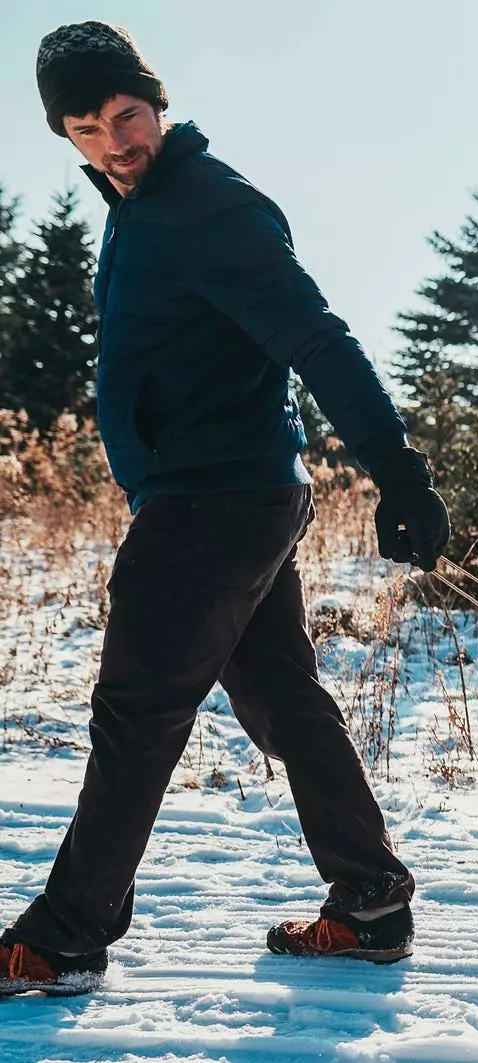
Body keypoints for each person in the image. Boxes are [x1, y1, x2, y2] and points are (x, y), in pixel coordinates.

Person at [0, 21, 450, 997]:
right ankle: (370, 898)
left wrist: (399, 471)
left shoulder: (208, 208)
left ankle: (68, 934)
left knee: (136, 706)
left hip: (214, 497)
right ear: (67, 137)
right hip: (226, 488)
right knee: (284, 697)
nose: (117, 142)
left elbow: (319, 340)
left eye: (127, 115)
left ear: (156, 103)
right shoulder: (143, 206)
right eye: (88, 128)